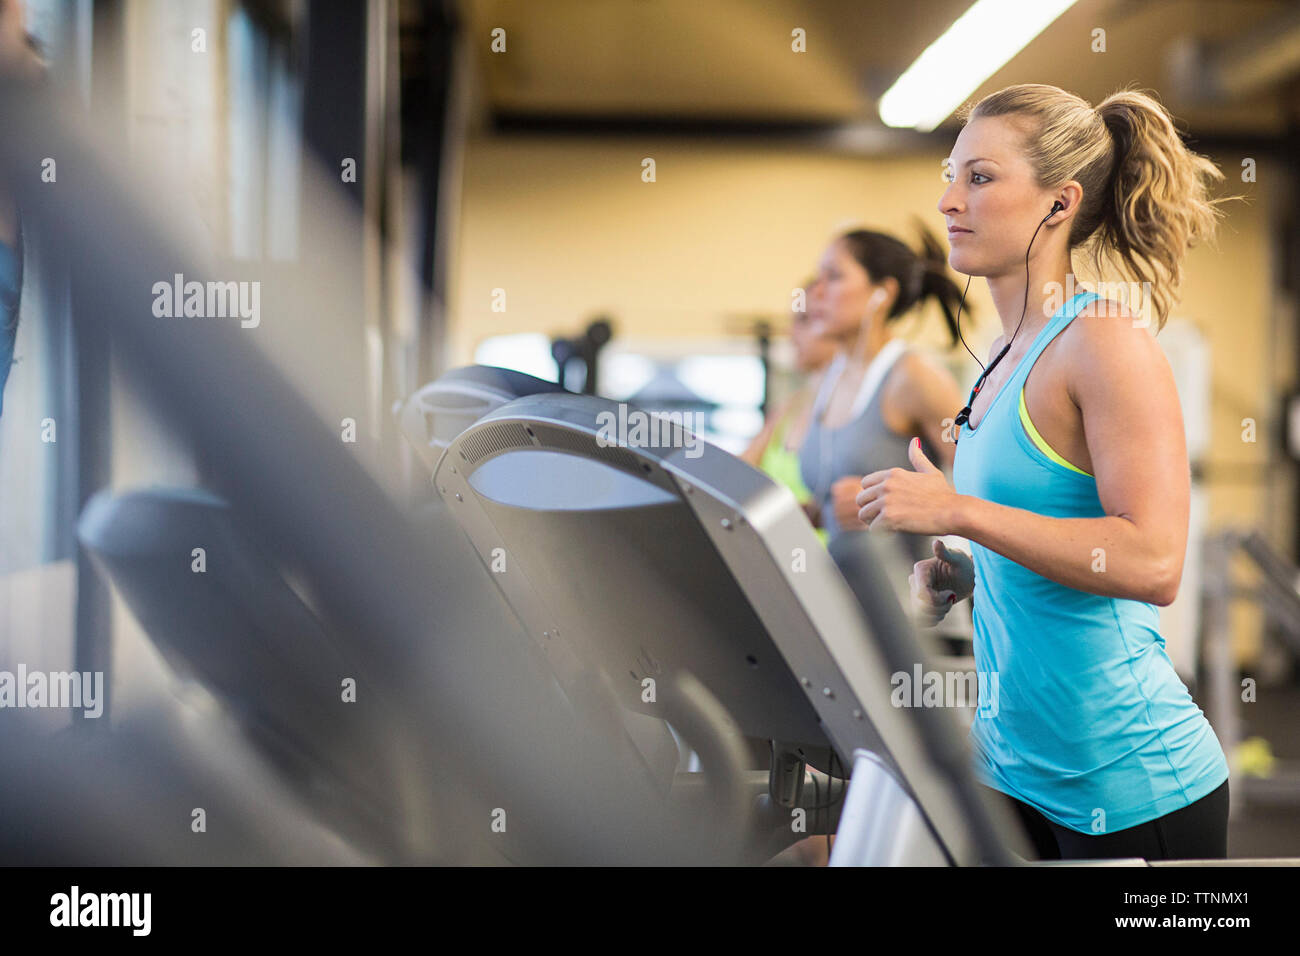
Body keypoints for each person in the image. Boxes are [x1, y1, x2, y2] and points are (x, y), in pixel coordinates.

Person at [856, 83, 1232, 861]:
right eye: (950, 175)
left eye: (980, 178)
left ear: (1058, 205)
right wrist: (964, 571)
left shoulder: (1104, 341)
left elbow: (1154, 561)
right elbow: (1048, 528)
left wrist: (960, 513)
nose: (950, 201)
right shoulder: (998, 359)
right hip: (1014, 769)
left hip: (1128, 782)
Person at [798, 225, 967, 576]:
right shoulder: (830, 378)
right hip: (853, 600)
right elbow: (839, 504)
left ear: (883, 293)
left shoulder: (914, 376)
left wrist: (899, 500)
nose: (816, 291)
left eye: (834, 276)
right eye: (817, 277)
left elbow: (983, 492)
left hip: (919, 609)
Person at [740, 282, 837, 544]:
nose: (792, 335)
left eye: (805, 321)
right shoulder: (791, 406)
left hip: (834, 573)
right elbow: (735, 474)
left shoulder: (853, 412)